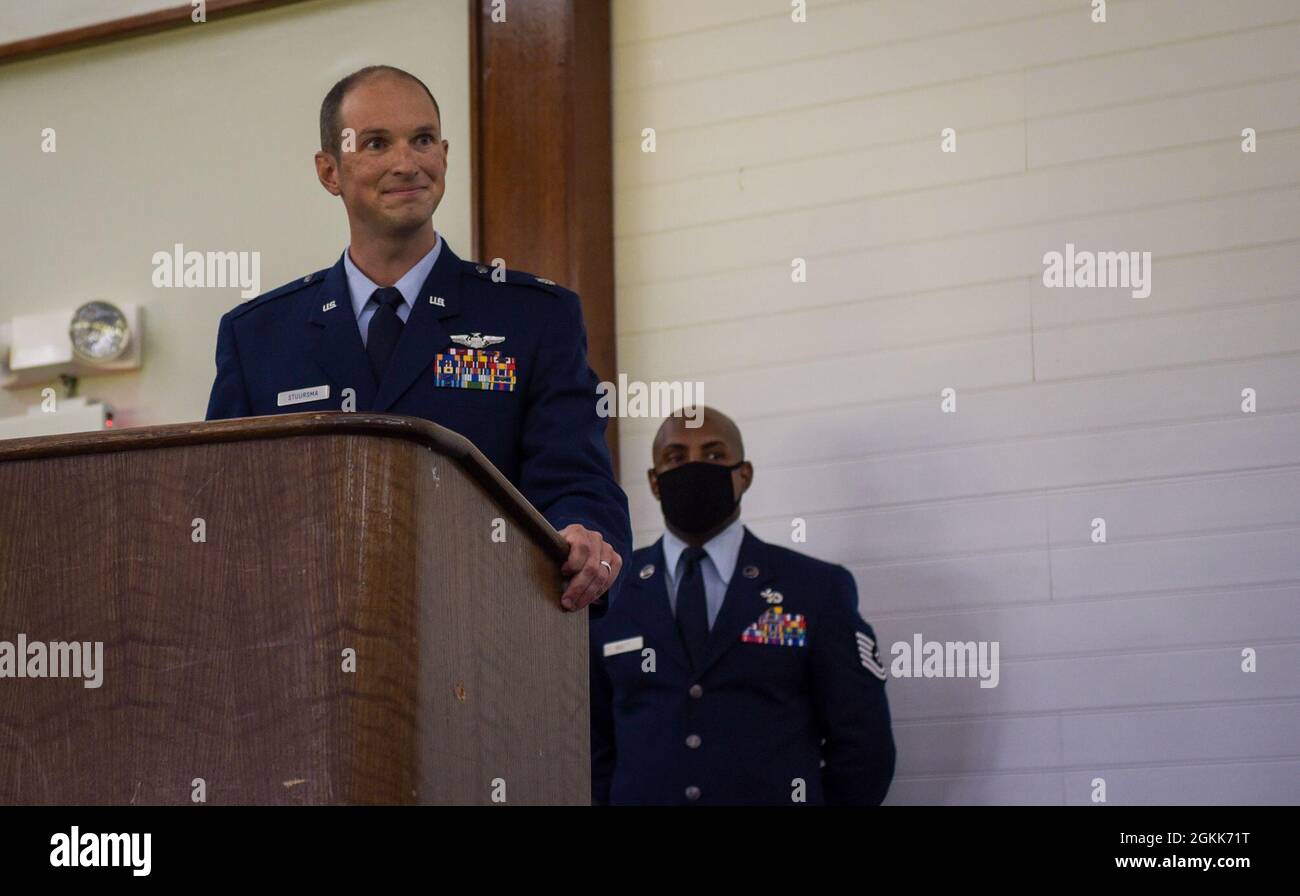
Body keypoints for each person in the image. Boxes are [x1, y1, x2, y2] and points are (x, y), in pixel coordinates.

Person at [204, 65, 629, 611]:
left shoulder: (534, 316)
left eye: (423, 140)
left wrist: (583, 532)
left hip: (489, 636)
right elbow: (221, 510)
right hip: (308, 647)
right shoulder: (258, 336)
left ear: (445, 154)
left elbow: (578, 480)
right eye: (377, 143)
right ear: (329, 171)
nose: (407, 163)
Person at [590, 407, 895, 804]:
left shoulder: (814, 590)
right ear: (654, 480)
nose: (695, 468)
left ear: (744, 475)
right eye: (676, 457)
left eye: (715, 455)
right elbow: (590, 742)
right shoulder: (611, 591)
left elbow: (865, 747)